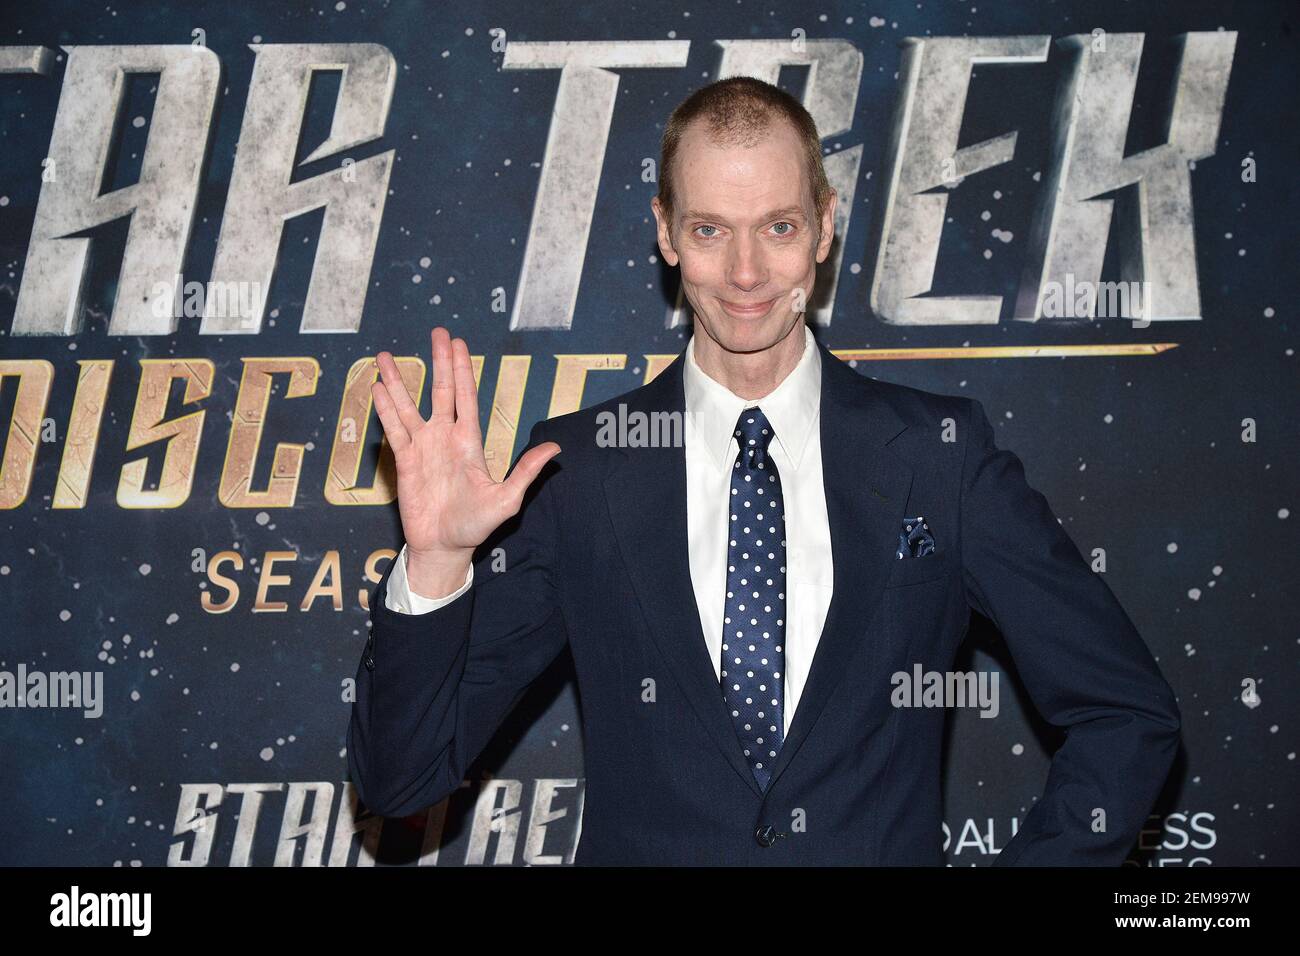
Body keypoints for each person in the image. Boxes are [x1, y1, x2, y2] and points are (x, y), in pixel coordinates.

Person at [347, 76, 1180, 865]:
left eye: (778, 227)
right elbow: (404, 781)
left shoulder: (939, 457)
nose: (746, 274)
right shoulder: (582, 471)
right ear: (667, 232)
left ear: (824, 223)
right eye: (710, 230)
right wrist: (435, 565)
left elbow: (1129, 713)